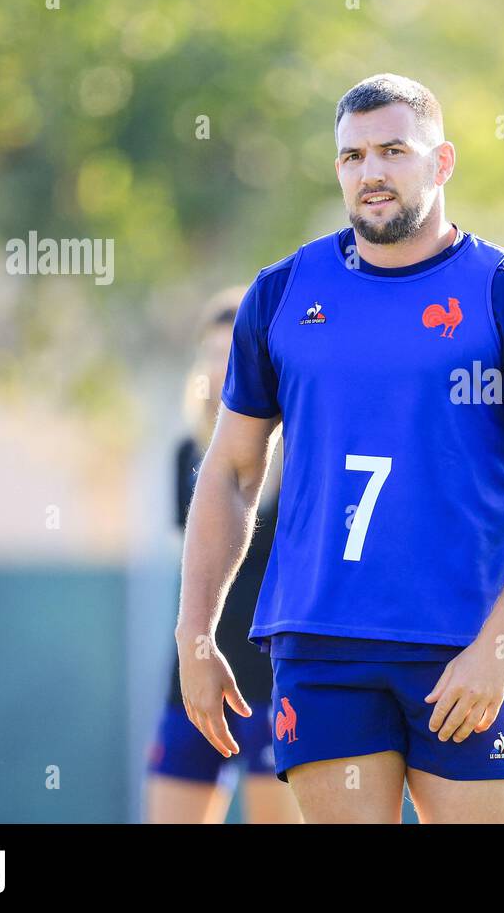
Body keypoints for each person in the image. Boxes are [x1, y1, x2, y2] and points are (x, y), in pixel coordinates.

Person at [175, 74, 504, 824]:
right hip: (321, 647)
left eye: (394, 151)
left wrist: (500, 644)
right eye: (352, 156)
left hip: (461, 648)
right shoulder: (281, 295)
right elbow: (233, 471)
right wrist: (196, 634)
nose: (371, 172)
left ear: (442, 163)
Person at [146, 288, 302, 824]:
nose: (219, 366)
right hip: (195, 676)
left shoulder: (297, 451)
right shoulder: (188, 454)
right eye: (210, 353)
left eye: (230, 352)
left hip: (273, 680)